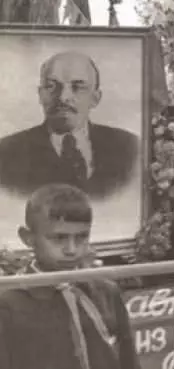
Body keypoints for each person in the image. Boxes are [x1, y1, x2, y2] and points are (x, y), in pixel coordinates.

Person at [0, 184, 140, 369]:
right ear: (28, 237)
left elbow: (127, 359)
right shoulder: (9, 303)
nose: (72, 250)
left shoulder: (106, 291)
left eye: (82, 237)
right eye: (59, 238)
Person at [0, 51, 139, 199]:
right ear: (40, 95)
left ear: (95, 98)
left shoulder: (130, 147)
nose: (63, 97)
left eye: (78, 87)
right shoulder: (6, 153)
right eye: (52, 86)